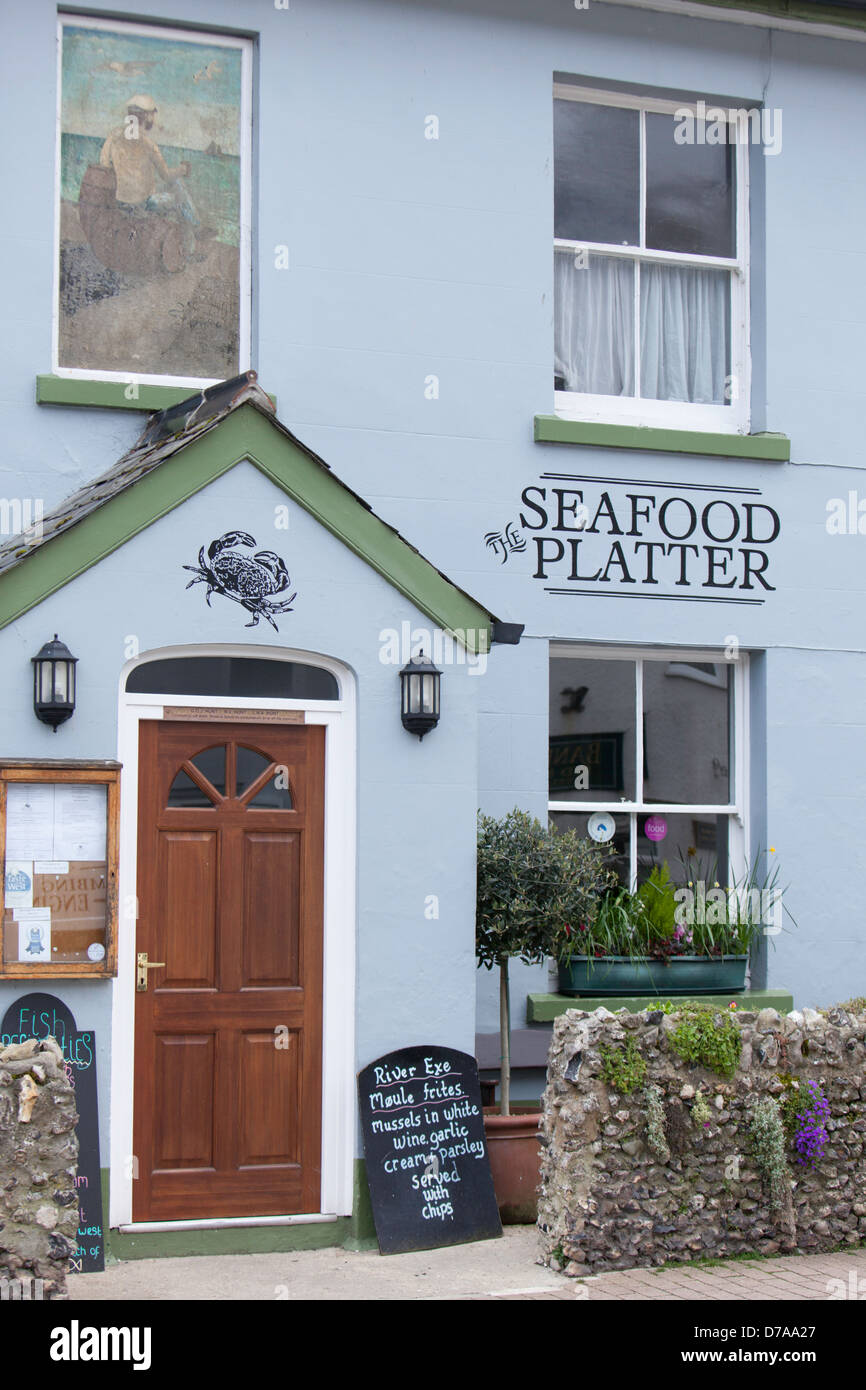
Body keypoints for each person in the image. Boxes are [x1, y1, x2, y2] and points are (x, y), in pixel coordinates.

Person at [99, 94, 198, 224]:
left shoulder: (114, 136)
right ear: (147, 116)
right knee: (178, 185)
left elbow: (104, 163)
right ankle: (195, 227)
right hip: (143, 205)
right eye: (152, 114)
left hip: (120, 201)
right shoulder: (148, 144)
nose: (154, 119)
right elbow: (166, 175)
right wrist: (183, 169)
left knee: (161, 186)